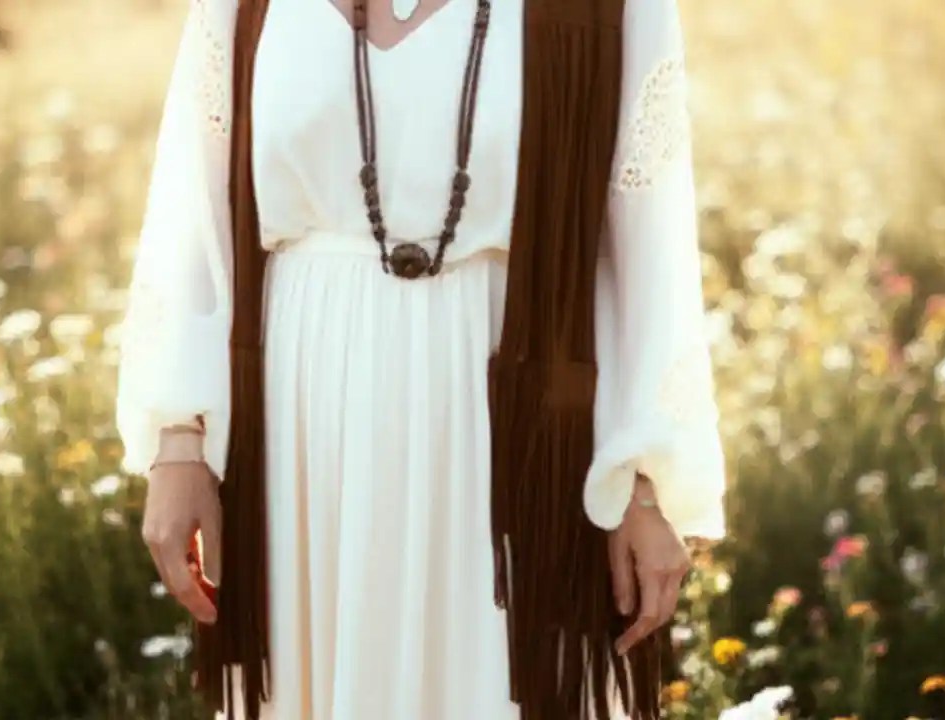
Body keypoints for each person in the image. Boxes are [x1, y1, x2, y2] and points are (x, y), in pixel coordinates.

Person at [114, 0, 727, 718]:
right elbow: (198, 204)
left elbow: (642, 241)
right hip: (304, 437)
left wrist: (643, 480)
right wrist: (179, 438)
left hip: (508, 436)